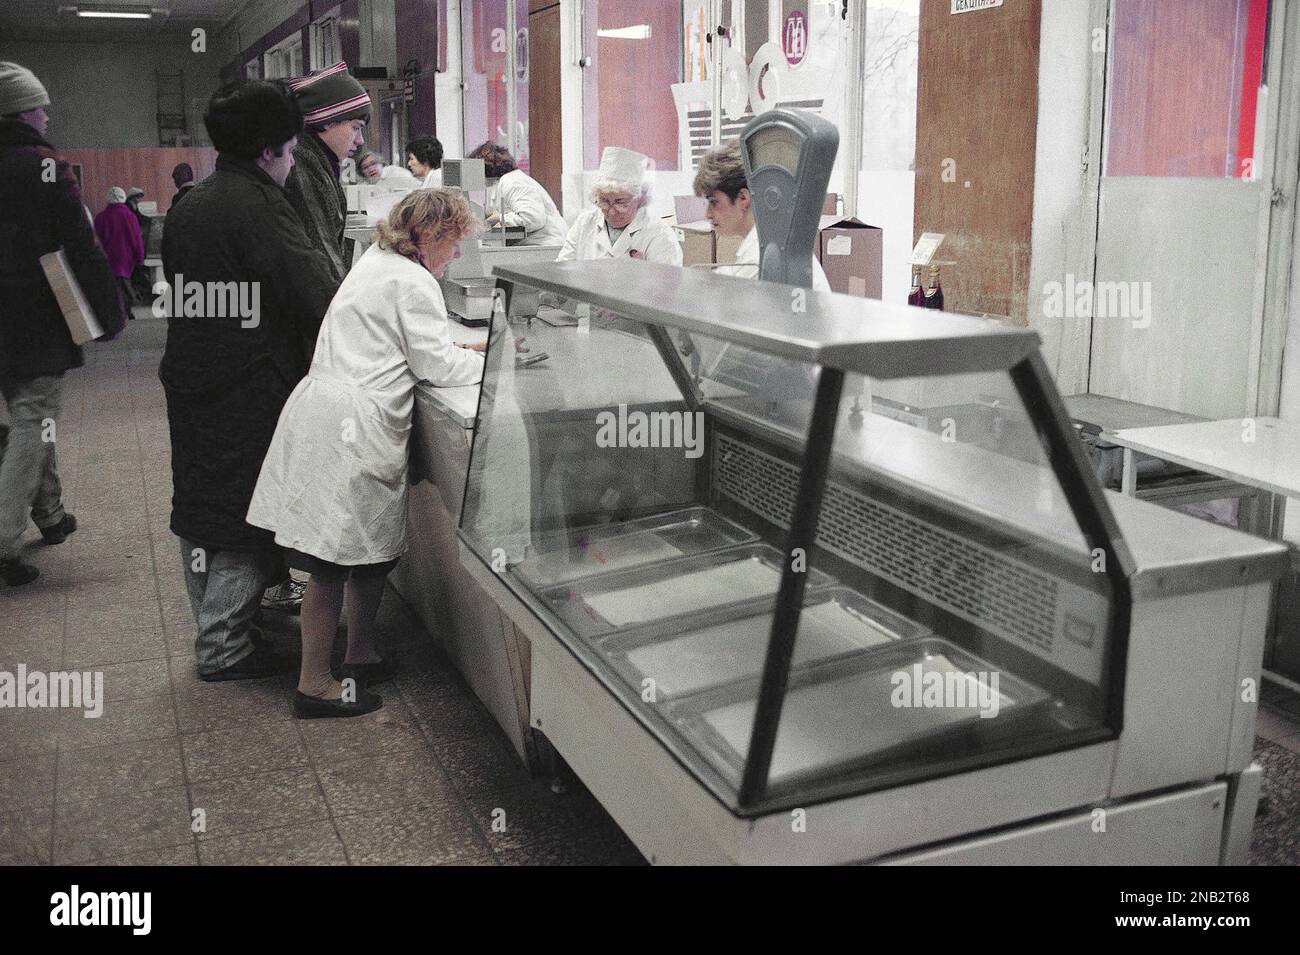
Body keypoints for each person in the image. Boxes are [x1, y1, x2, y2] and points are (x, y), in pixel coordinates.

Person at [247, 189, 485, 718]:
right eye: (455, 242)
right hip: (352, 425)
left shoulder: (377, 261)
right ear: (429, 236)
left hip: (329, 409)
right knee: (332, 560)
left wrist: (459, 350)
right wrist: (495, 364)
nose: (459, 255)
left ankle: (360, 653)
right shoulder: (413, 279)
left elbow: (404, 343)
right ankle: (314, 686)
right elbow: (436, 368)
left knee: (369, 551)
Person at [160, 79, 339, 681]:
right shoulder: (259, 205)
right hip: (247, 383)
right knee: (242, 513)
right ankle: (222, 647)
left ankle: (223, 631)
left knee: (201, 505)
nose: (292, 163)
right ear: (269, 149)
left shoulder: (193, 201)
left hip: (191, 374)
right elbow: (314, 292)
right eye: (290, 150)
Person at [0, 61, 123, 586]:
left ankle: (49, 514)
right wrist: (108, 312)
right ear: (21, 111)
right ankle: (3, 538)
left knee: (31, 414)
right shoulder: (44, 167)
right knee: (34, 417)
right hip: (35, 313)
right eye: (41, 105)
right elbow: (80, 247)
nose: (48, 114)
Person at [693, 139, 830, 291]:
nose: (708, 215)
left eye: (713, 202)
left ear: (743, 198)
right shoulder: (768, 241)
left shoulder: (760, 260)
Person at [285, 61, 371, 285]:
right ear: (325, 122)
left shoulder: (319, 161)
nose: (360, 141)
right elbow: (322, 259)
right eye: (355, 127)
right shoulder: (302, 164)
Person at [557, 146, 682, 266]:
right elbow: (562, 271)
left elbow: (666, 286)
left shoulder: (660, 236)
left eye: (620, 202)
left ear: (641, 199)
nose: (611, 212)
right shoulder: (584, 224)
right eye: (604, 201)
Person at [468, 141, 566, 246]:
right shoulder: (503, 182)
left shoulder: (512, 181)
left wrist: (499, 218)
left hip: (545, 245)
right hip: (535, 245)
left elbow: (532, 219)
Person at [93, 186, 145, 312]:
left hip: (106, 262)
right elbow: (137, 239)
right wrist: (140, 258)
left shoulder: (100, 217)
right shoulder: (130, 216)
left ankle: (115, 313)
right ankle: (125, 311)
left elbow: (95, 242)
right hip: (125, 262)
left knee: (111, 291)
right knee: (125, 289)